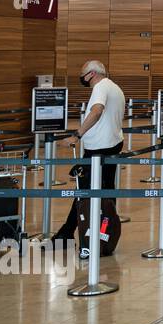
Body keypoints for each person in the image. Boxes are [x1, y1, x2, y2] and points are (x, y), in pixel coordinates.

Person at [52, 60, 126, 248]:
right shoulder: (115, 87)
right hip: (113, 145)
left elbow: (97, 111)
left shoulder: (100, 87)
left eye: (83, 73)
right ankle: (105, 233)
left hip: (98, 150)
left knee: (83, 193)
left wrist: (77, 134)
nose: (82, 77)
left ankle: (66, 235)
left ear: (92, 74)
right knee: (107, 192)